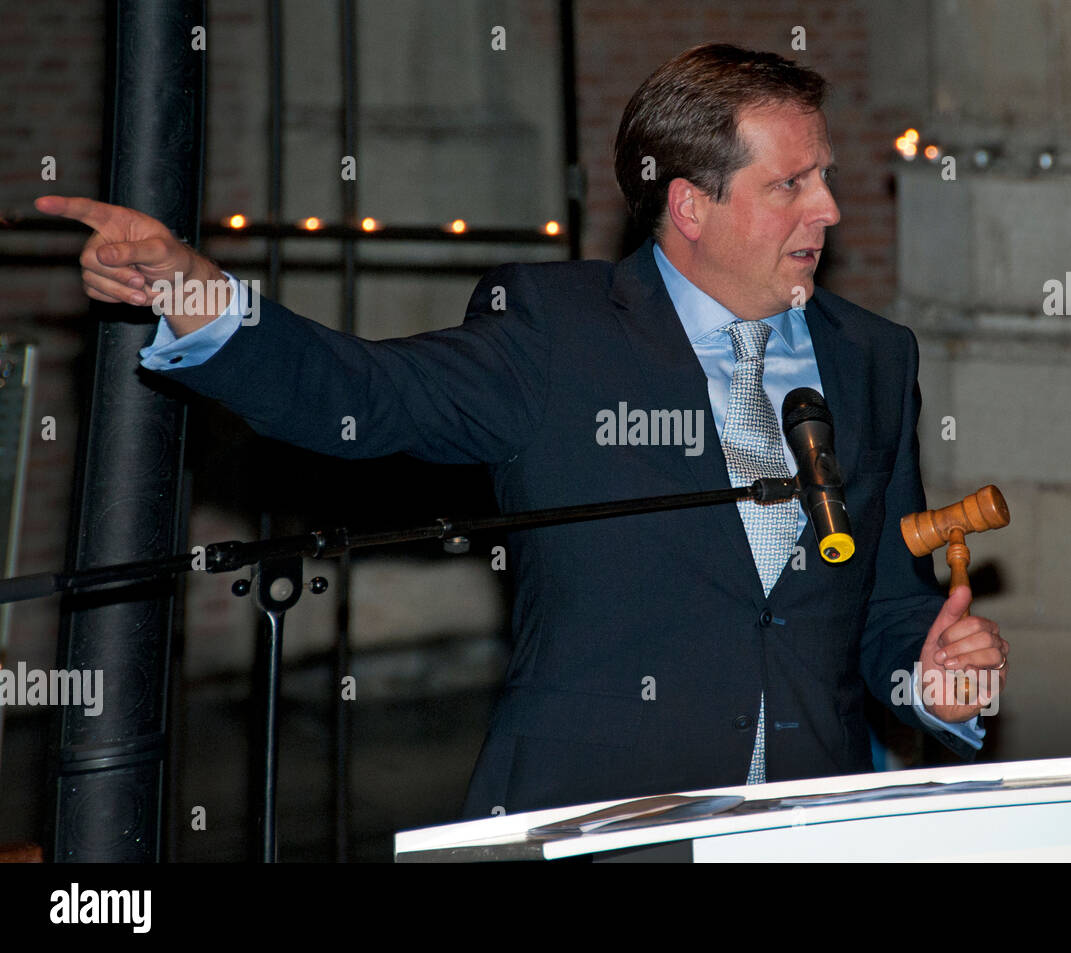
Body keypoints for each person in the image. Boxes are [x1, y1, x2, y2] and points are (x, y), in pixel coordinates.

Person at [38, 43, 1007, 818]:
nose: (829, 208)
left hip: (813, 819)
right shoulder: (557, 333)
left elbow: (884, 606)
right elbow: (368, 395)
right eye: (790, 185)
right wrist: (190, 291)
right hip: (599, 813)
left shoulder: (874, 357)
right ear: (690, 206)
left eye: (824, 177)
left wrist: (934, 681)